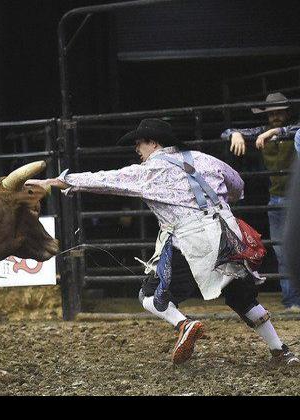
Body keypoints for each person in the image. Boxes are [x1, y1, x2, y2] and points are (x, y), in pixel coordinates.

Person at [30, 119, 299, 366]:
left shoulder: (150, 171)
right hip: (228, 232)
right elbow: (237, 184)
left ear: (154, 143)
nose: (137, 148)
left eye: (140, 142)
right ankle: (281, 351)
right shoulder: (204, 158)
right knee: (241, 296)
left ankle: (183, 325)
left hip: (192, 238)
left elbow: (107, 179)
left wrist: (58, 181)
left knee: (149, 294)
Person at [221, 92, 299, 309]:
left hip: (295, 196)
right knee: (283, 251)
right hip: (277, 198)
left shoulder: (293, 130)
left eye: (279, 112)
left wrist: (276, 131)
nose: (275, 116)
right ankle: (292, 301)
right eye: (271, 113)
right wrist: (235, 134)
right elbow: (225, 132)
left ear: (287, 113)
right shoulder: (261, 132)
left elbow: (297, 129)